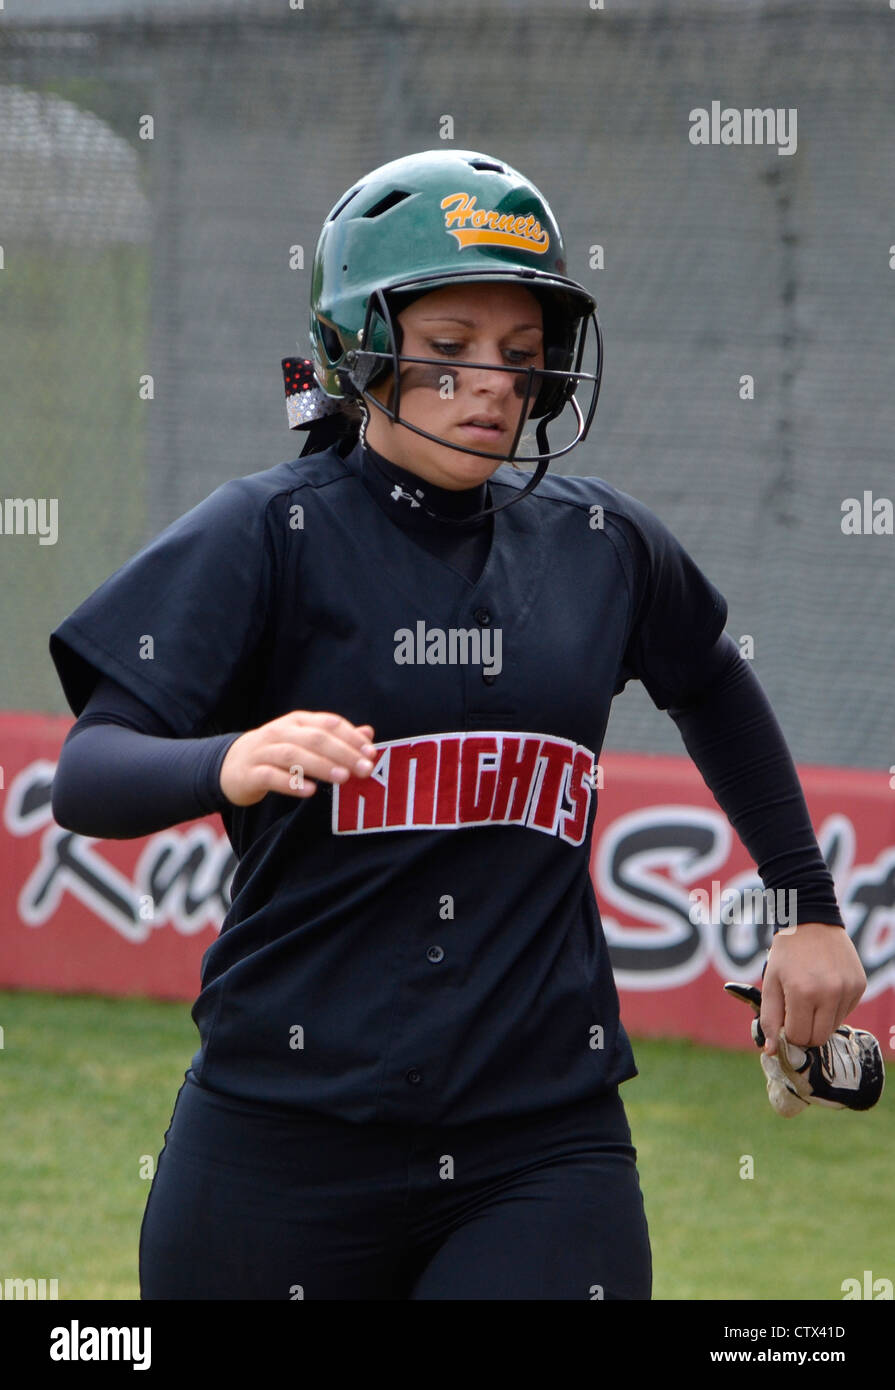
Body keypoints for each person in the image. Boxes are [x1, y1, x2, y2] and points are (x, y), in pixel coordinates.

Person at [49, 148, 866, 1301]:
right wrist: (225, 758)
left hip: (541, 1140)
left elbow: (712, 684)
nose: (493, 382)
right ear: (355, 349)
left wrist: (809, 910)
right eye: (448, 350)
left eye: (521, 356)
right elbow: (88, 774)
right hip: (281, 1131)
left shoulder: (599, 545)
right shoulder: (265, 535)